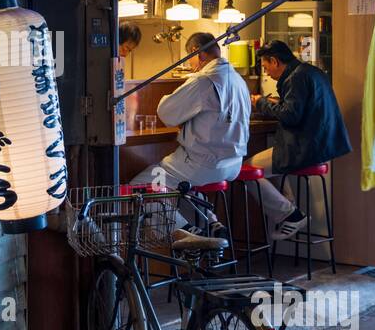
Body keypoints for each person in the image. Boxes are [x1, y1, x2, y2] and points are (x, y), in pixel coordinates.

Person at [249, 39, 352, 240]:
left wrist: (261, 103)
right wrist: (275, 103)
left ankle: (290, 214)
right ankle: (288, 209)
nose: (267, 72)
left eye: (266, 67)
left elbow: (291, 116)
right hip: (322, 144)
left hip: (307, 147)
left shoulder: (295, 78)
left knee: (249, 169)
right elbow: (298, 107)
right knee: (273, 163)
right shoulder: (308, 71)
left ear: (275, 61)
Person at [131, 32, 251, 193]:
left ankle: (182, 211)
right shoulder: (239, 80)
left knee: (141, 186)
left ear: (196, 51)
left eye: (189, 58)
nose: (190, 63)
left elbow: (166, 112)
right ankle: (203, 210)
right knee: (182, 189)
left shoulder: (204, 80)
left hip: (203, 165)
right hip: (234, 164)